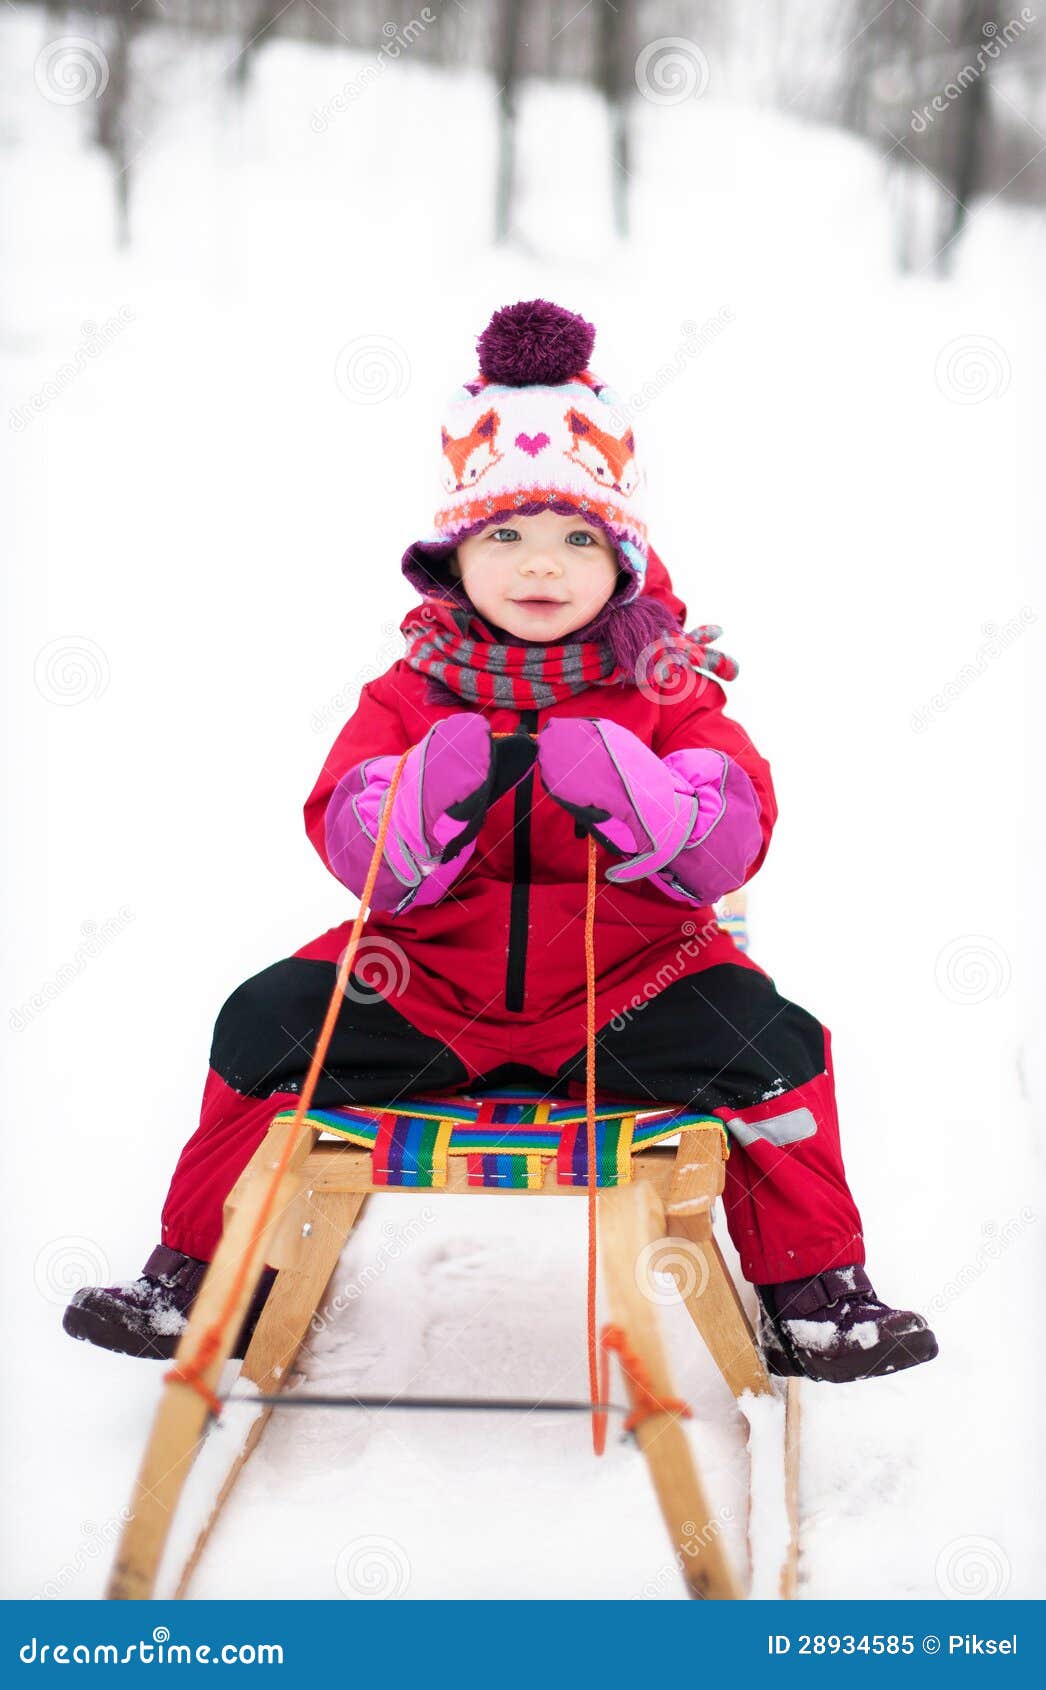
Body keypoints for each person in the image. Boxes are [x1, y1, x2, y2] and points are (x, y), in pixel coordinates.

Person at [64, 299, 937, 1384]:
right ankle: (203, 1276)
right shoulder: (410, 691)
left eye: (578, 539)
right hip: (428, 987)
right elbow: (346, 832)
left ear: (621, 561)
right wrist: (412, 804)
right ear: (454, 559)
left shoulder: (666, 689)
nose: (541, 566)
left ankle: (816, 1296)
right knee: (264, 1021)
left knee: (775, 1046)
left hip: (630, 990)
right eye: (505, 536)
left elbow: (736, 828)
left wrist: (658, 812)